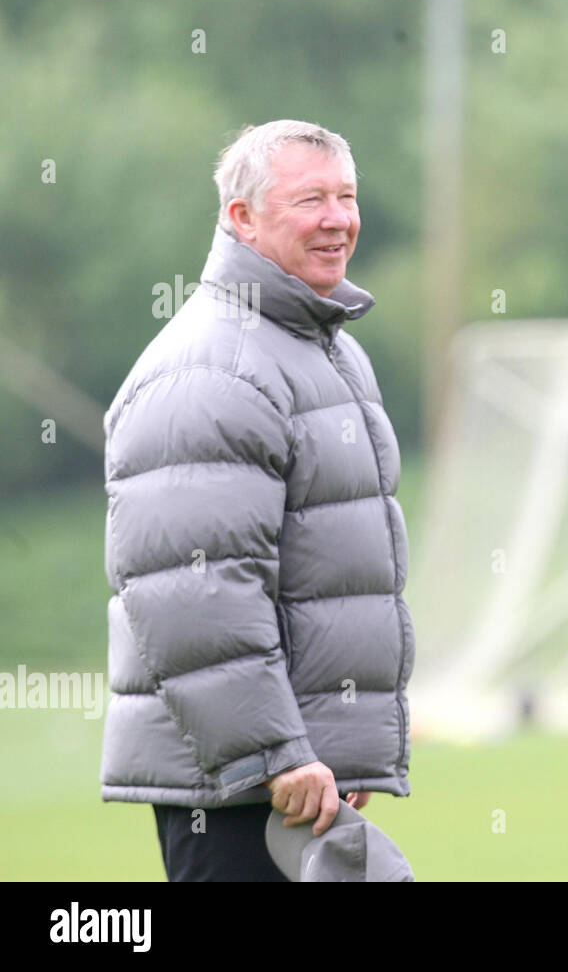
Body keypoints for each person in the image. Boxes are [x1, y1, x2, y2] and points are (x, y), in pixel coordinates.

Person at [101, 120, 415, 882]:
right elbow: (194, 595)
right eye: (311, 199)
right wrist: (276, 753)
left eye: (347, 196)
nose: (338, 218)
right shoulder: (215, 369)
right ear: (241, 217)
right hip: (237, 791)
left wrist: (341, 745)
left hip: (296, 778)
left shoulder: (324, 346)